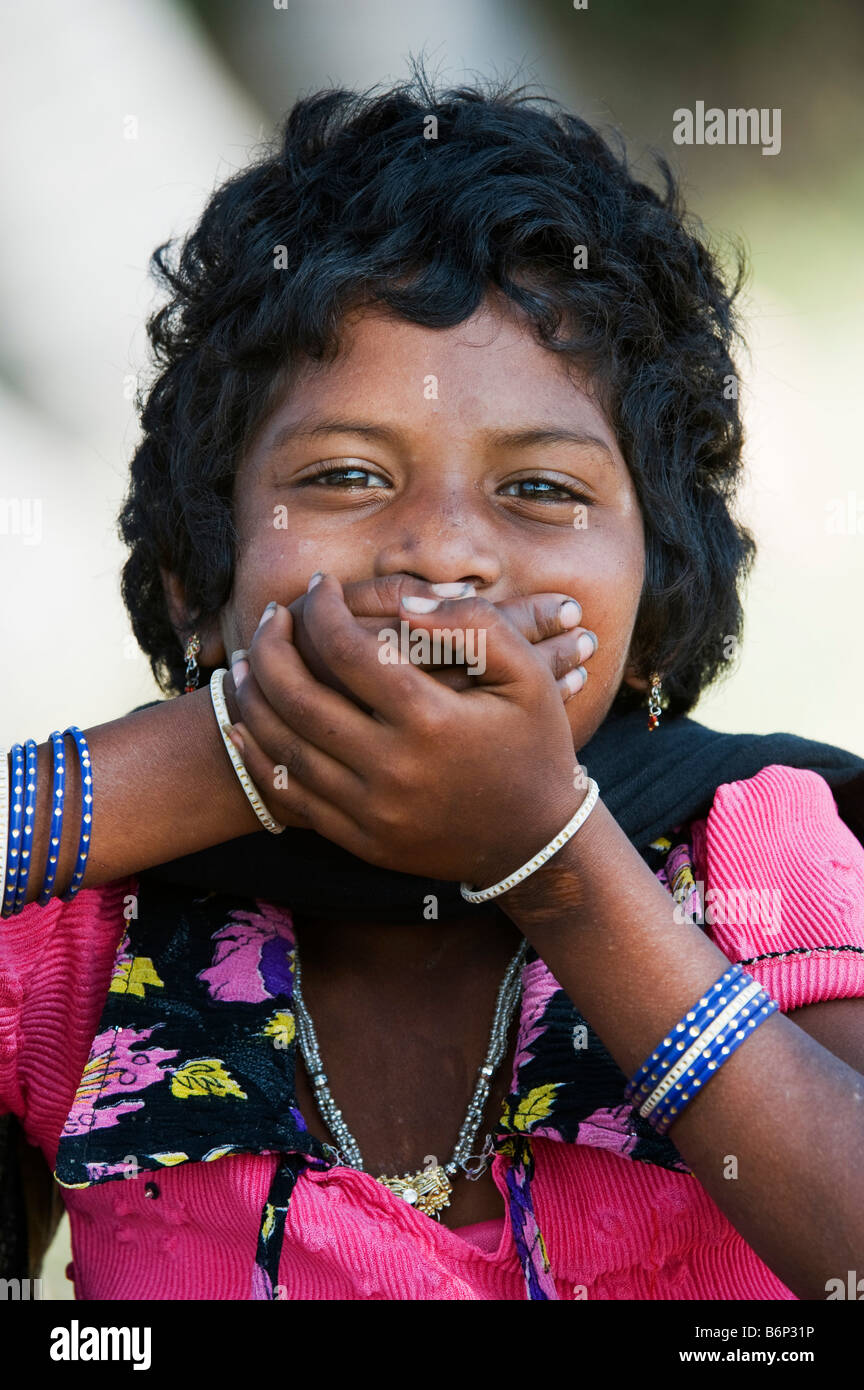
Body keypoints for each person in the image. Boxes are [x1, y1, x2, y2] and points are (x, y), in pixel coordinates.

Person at [2, 64, 864, 1302]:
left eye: (541, 491)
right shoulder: (84, 945)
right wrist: (220, 761)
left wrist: (559, 866)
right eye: (348, 476)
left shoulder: (750, 855)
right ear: (200, 581)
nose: (443, 553)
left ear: (656, 605)